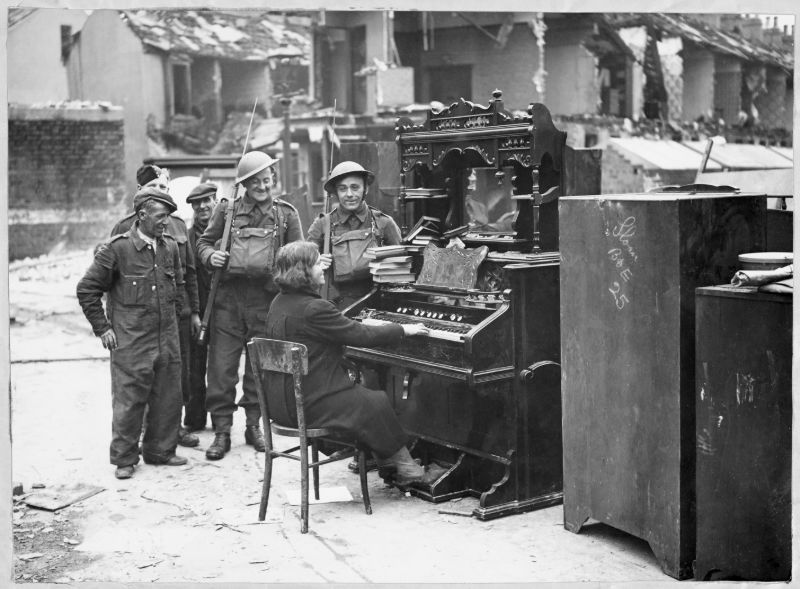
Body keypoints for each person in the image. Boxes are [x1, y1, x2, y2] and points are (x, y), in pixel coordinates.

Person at [265, 241, 444, 485]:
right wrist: (403, 328)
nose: (323, 269)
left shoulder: (278, 302)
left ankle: (387, 461)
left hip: (281, 404)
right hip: (309, 404)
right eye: (318, 264)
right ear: (303, 271)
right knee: (375, 401)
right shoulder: (314, 308)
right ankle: (409, 470)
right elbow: (361, 335)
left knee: (366, 398)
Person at [196, 151, 303, 460]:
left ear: (274, 180)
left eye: (267, 179)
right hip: (228, 303)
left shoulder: (286, 215)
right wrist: (209, 256)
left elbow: (298, 255)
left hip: (266, 302)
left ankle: (254, 425)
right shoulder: (226, 212)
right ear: (244, 184)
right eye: (255, 181)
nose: (262, 185)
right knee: (221, 369)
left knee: (259, 370)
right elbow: (203, 243)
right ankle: (221, 431)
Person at [77, 187, 188, 479]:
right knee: (129, 399)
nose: (166, 222)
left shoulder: (170, 247)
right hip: (131, 340)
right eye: (161, 216)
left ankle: (160, 451)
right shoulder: (118, 249)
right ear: (142, 215)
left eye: (168, 216)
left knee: (168, 396)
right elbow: (87, 289)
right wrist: (103, 329)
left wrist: (177, 321)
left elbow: (180, 287)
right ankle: (125, 458)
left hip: (167, 338)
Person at [111, 164, 200, 448]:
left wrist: (193, 311)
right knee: (135, 384)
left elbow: (187, 274)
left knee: (174, 380)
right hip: (136, 324)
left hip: (173, 317)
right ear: (141, 197)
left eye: (165, 188)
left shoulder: (175, 229)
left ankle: (167, 435)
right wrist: (112, 325)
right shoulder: (124, 231)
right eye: (155, 188)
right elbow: (106, 284)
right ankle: (133, 440)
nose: (161, 193)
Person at [307, 161, 401, 310]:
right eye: (342, 189)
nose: (349, 194)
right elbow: (302, 270)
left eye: (355, 187)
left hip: (378, 304)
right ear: (336, 192)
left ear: (366, 189)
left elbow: (401, 268)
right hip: (336, 307)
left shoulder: (384, 223)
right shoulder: (322, 225)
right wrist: (316, 263)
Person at [184, 182, 218, 431]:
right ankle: (195, 419)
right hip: (198, 310)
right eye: (198, 203)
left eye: (207, 200)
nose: (203, 206)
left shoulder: (226, 231)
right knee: (195, 366)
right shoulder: (186, 237)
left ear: (215, 200)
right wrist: (194, 311)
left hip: (224, 308)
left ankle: (220, 421)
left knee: (220, 368)